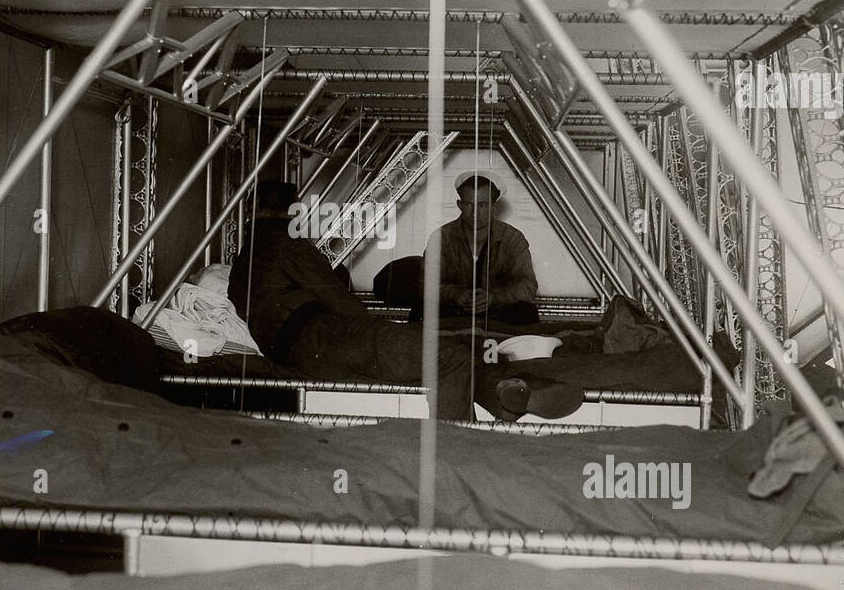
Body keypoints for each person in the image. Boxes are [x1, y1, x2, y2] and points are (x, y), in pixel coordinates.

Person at [228, 181, 581, 422]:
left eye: (484, 205)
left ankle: (502, 395)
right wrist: (375, 327)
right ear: (293, 213)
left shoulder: (246, 258)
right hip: (327, 335)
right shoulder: (286, 245)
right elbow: (336, 296)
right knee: (451, 358)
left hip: (301, 355)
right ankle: (465, 445)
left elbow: (525, 287)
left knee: (436, 364)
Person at [414, 173, 540, 327]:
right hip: (454, 312)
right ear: (459, 205)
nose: (474, 212)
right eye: (468, 204)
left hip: (498, 313)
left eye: (482, 205)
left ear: (493, 208)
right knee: (419, 311)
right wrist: (456, 295)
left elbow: (528, 285)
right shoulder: (441, 238)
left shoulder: (512, 238)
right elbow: (425, 285)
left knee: (526, 312)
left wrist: (494, 297)